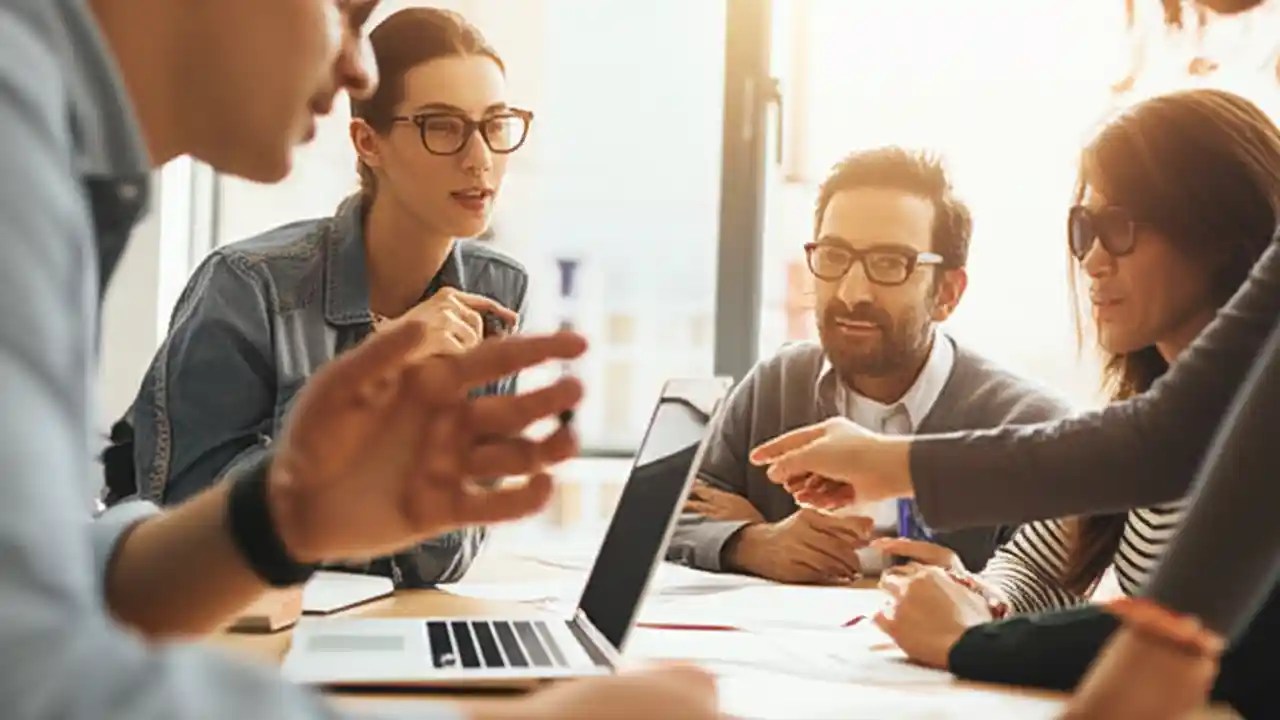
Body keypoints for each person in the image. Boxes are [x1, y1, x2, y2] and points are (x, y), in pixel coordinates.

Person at [0, 0, 718, 718]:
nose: (357, 66)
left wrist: (280, 515)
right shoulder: (27, 144)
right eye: (346, 10)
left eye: (495, 126)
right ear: (368, 145)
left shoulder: (59, 160)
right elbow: (41, 673)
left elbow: (61, 586)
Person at [857, 89, 1279, 718]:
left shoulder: (1214, 435)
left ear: (1219, 230)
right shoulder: (1138, 424)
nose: (1091, 259)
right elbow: (1038, 565)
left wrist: (971, 641)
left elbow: (1229, 640)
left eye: (1120, 227)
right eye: (1082, 230)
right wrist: (982, 597)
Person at [112, 8, 532, 588]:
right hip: (212, 624)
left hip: (370, 620)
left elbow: (446, 550)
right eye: (442, 126)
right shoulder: (246, 284)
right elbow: (185, 517)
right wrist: (373, 379)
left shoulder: (498, 291)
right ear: (368, 142)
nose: (480, 156)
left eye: (496, 123)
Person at [666, 147, 1070, 583]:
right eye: (834, 256)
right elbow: (668, 514)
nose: (851, 292)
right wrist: (753, 541)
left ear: (948, 293)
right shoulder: (777, 384)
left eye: (889, 264)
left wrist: (971, 587)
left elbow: (1056, 590)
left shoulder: (1029, 424)